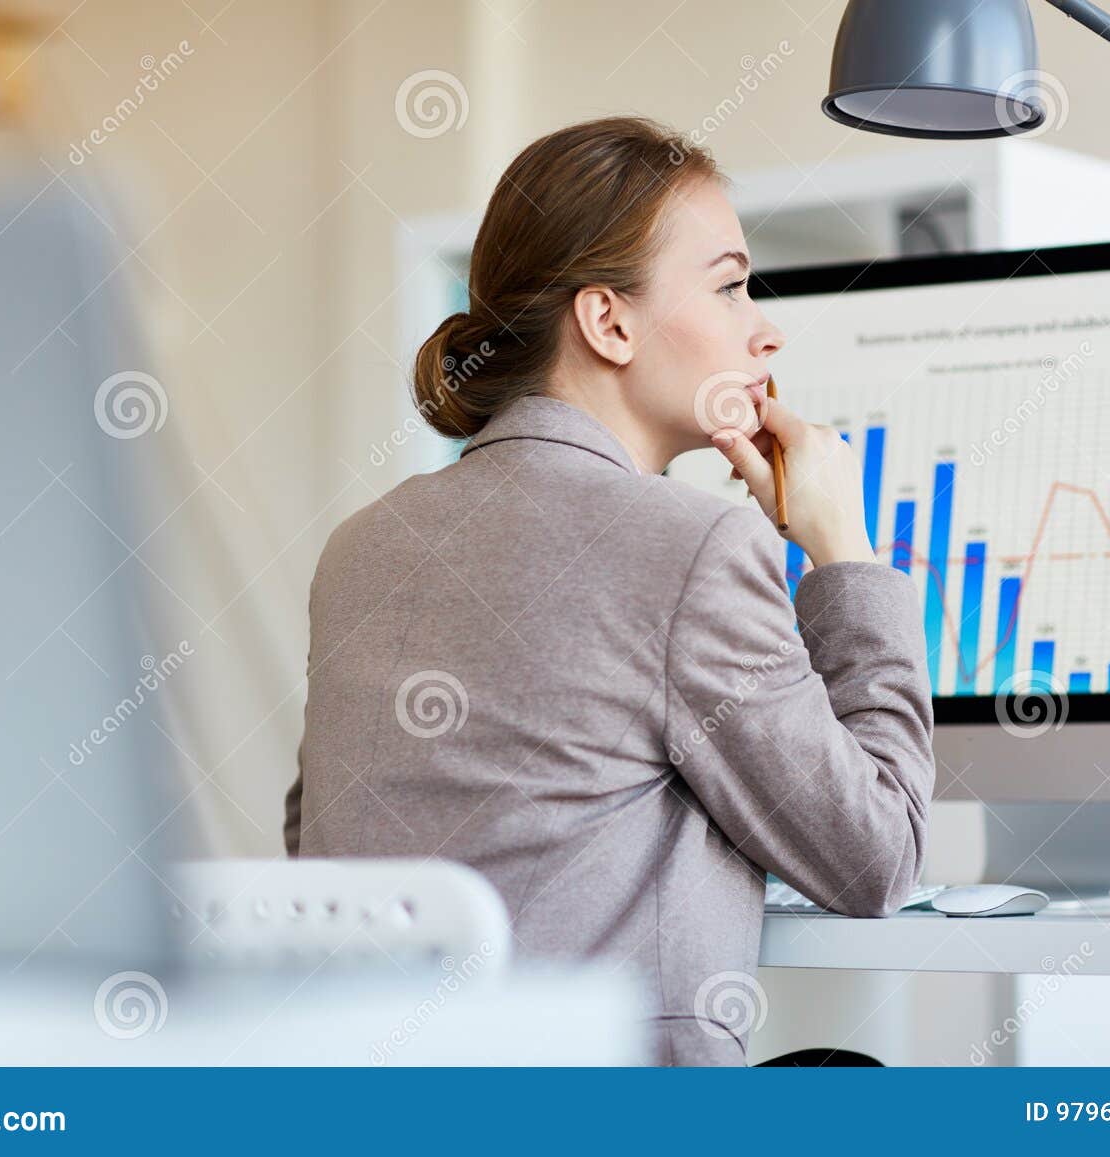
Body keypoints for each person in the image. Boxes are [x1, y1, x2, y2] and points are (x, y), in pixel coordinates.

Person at [283, 115, 934, 1065]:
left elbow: (321, 854)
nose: (765, 330)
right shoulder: (693, 545)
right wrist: (843, 552)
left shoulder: (361, 546)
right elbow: (876, 857)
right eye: (730, 286)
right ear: (608, 322)